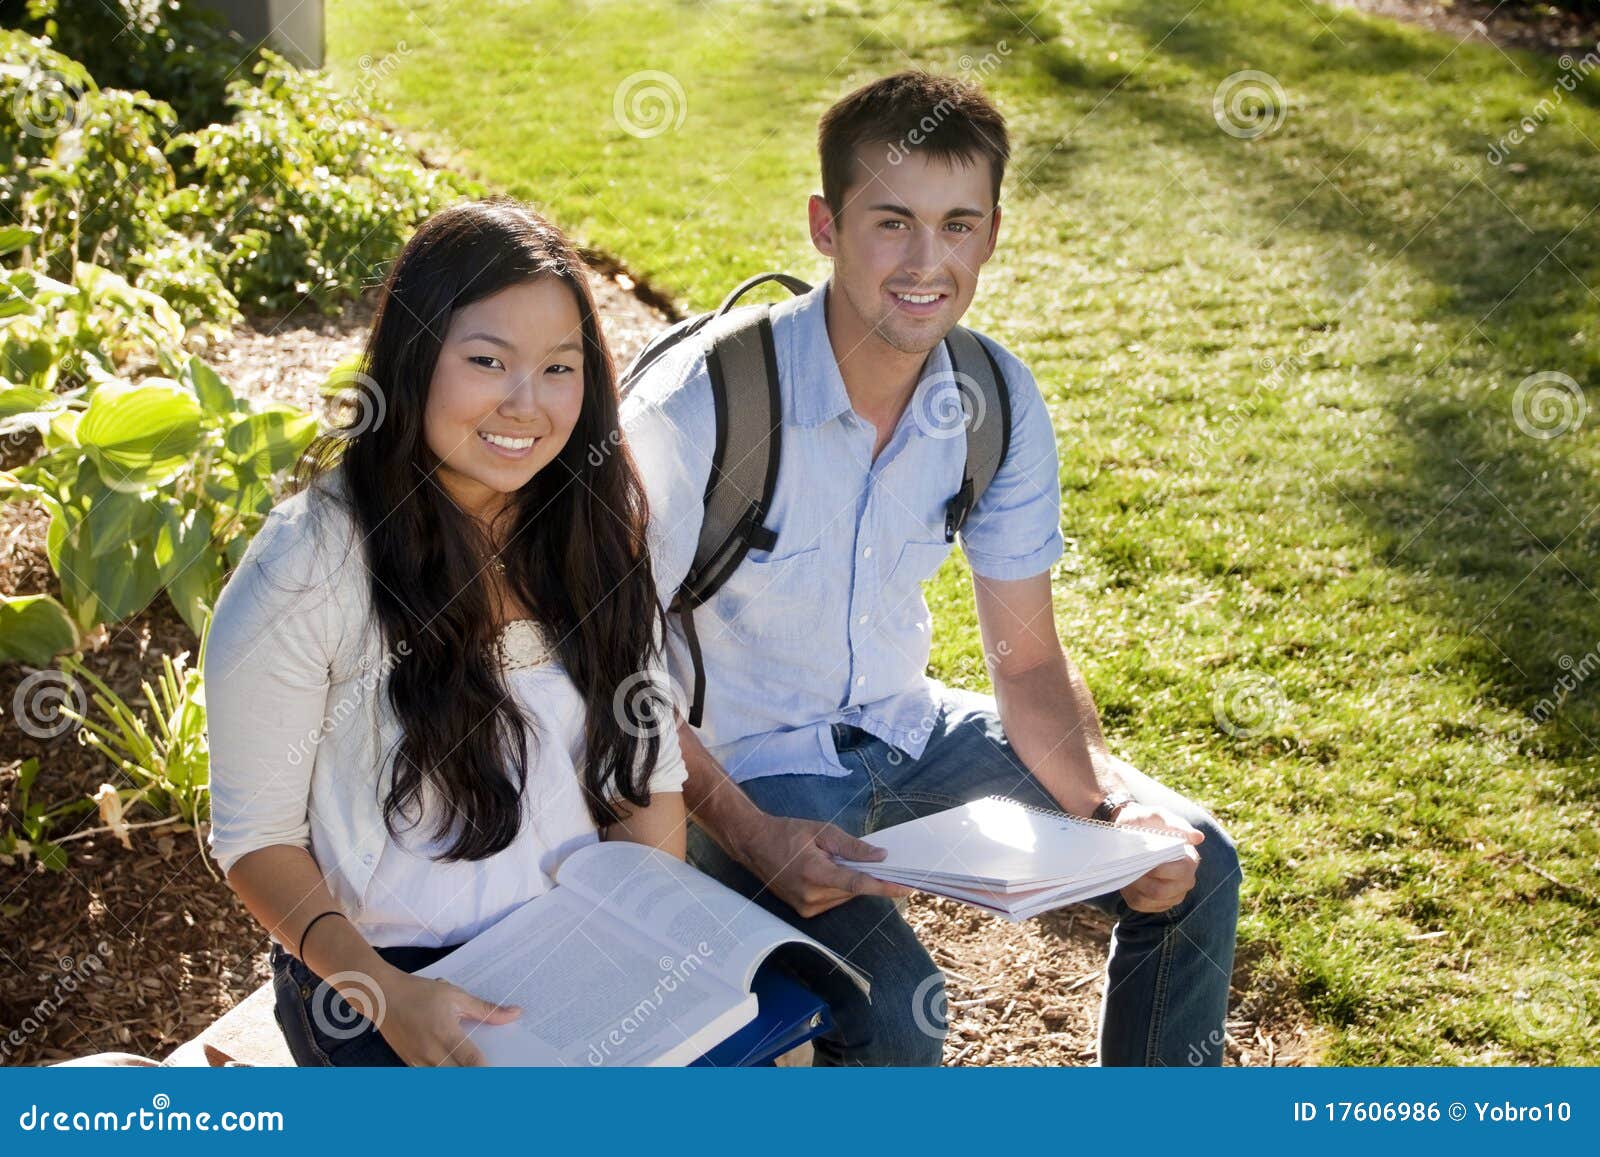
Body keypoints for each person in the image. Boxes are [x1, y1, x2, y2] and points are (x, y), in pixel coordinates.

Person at [620, 72, 1242, 1066]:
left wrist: (1111, 812)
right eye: (891, 221)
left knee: (1192, 855)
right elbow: (599, 661)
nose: (925, 261)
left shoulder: (992, 396)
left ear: (991, 235)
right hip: (728, 772)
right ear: (824, 225)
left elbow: (1028, 666)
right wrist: (745, 828)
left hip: (902, 731)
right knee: (900, 1000)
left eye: (957, 225)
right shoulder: (705, 402)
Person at [205, 198, 688, 1067]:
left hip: (578, 953)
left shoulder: (594, 533)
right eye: (487, 360)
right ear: (417, 358)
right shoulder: (309, 564)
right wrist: (384, 993)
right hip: (386, 981)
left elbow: (643, 781)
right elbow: (256, 840)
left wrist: (654, 957)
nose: (526, 404)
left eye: (559, 367)